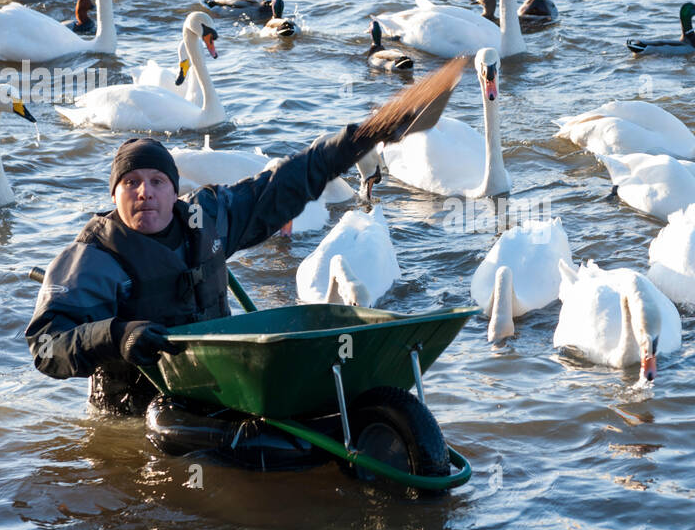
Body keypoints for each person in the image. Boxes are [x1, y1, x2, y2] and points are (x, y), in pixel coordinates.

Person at [25, 60, 461, 416]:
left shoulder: (206, 218)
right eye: (131, 183)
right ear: (115, 193)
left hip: (219, 381)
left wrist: (360, 138)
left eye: (157, 181)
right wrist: (115, 334)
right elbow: (45, 345)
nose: (145, 193)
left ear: (174, 190)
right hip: (140, 406)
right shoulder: (93, 256)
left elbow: (284, 182)